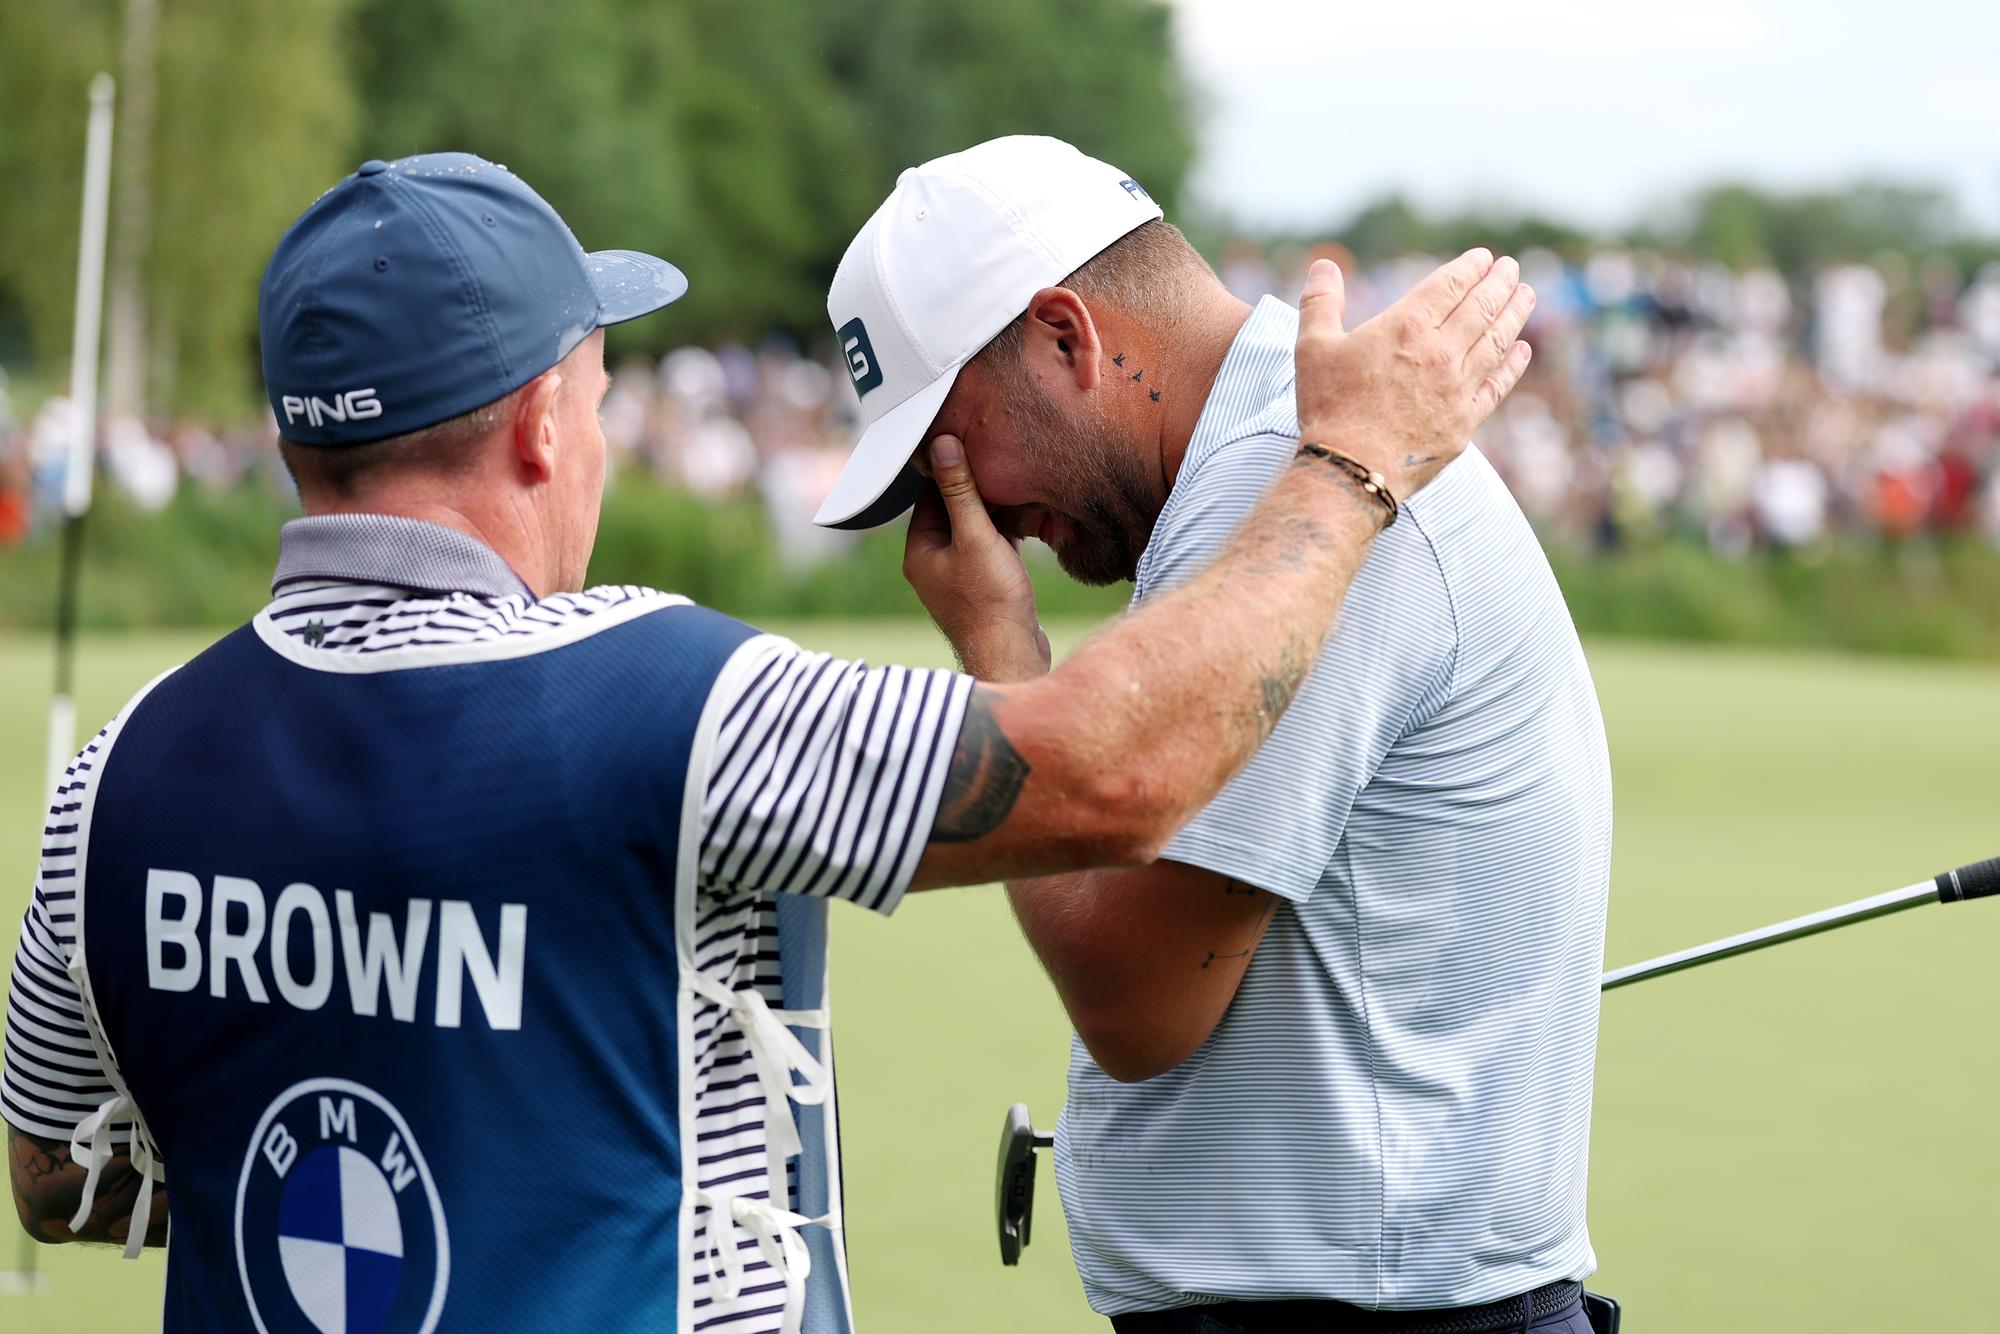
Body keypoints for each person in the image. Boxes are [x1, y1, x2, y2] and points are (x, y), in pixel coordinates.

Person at [0, 152, 1517, 1334]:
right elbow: (1118, 771)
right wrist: (1349, 463)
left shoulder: (114, 775)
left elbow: (55, 1178)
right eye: (597, 393)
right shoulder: (669, 699)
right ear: (542, 425)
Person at [819, 136, 1611, 1334]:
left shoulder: (1290, 478)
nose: (960, 501)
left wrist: (998, 646)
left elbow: (1136, 1001)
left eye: (950, 441)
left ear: (1064, 336)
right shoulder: (1290, 453)